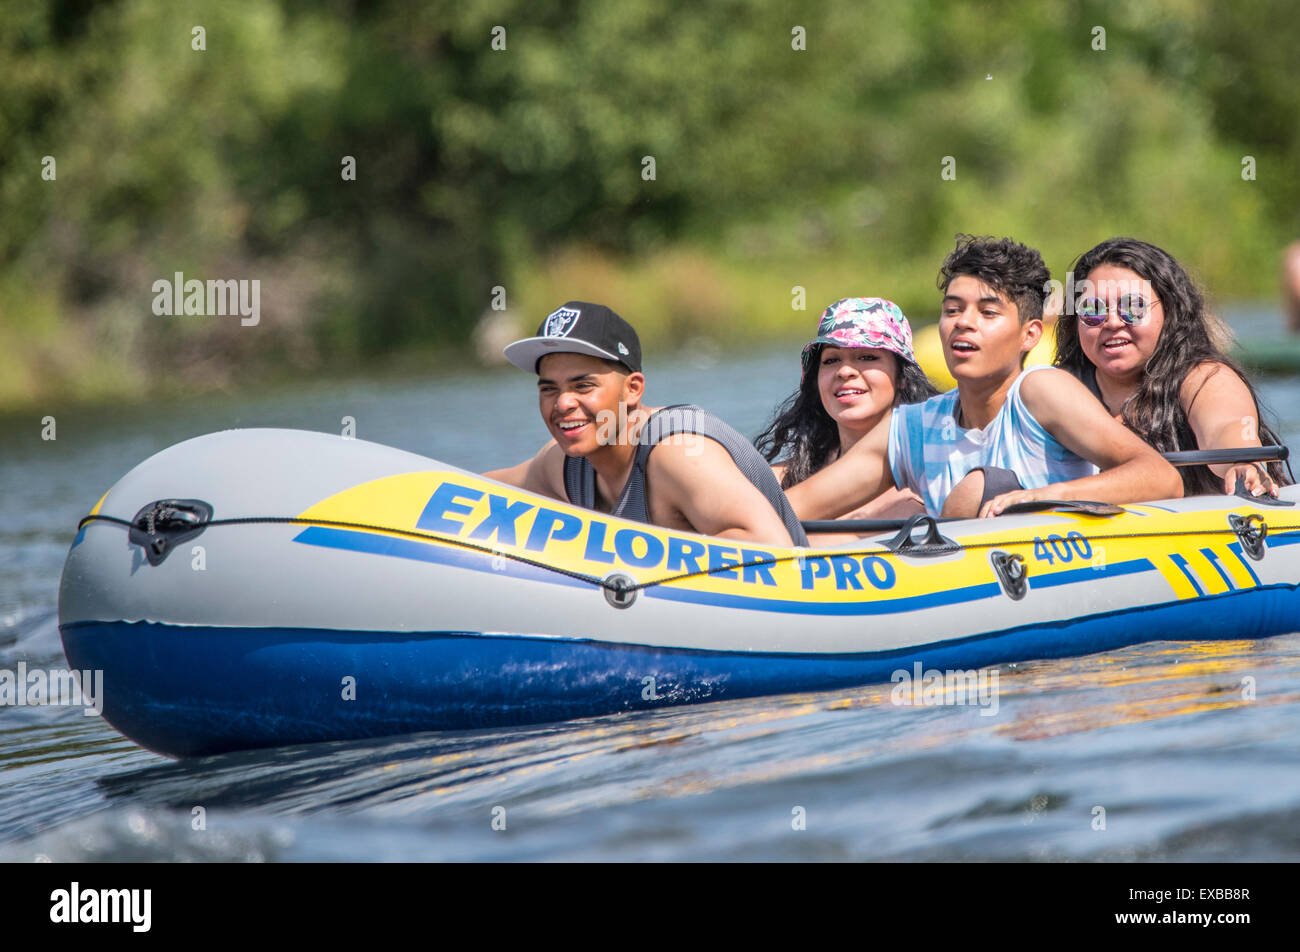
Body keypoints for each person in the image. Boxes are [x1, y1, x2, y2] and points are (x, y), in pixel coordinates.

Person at [783, 236, 1183, 521]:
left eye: (987, 313)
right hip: (956, 599)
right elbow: (802, 504)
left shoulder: (1041, 390)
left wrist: (1048, 497)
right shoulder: (913, 426)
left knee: (984, 486)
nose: (963, 325)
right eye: (952, 310)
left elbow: (1161, 477)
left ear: (1030, 335)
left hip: (1060, 583)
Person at [484, 301, 807, 546]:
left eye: (583, 386)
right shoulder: (562, 465)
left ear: (633, 389)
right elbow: (470, 487)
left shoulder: (680, 454)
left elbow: (773, 547)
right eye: (549, 389)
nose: (563, 403)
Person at [1054, 237, 1291, 498]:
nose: (1111, 322)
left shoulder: (1204, 378)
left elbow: (1227, 427)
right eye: (1092, 310)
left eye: (1133, 307)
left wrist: (1243, 461)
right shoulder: (1054, 389)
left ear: (1170, 311)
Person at [755, 297, 938, 520]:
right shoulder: (785, 478)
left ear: (902, 377)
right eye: (831, 360)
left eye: (867, 357)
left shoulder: (928, 480)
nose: (845, 371)